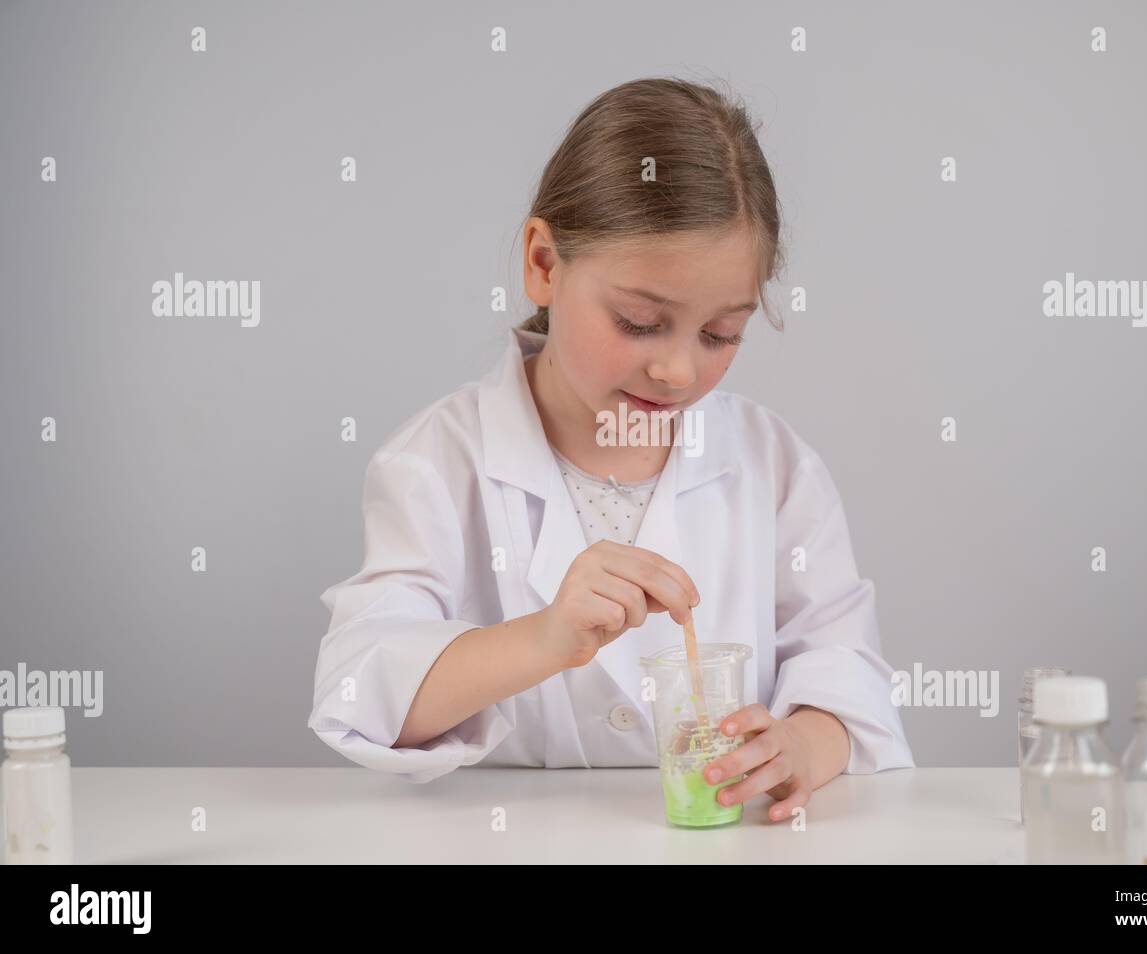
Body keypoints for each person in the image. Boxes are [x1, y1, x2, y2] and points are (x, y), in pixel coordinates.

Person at [308, 77, 913, 822]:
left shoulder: (776, 468)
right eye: (639, 320)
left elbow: (844, 670)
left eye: (721, 334)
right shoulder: (434, 464)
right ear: (544, 263)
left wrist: (801, 746)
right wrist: (543, 639)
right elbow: (359, 690)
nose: (680, 371)